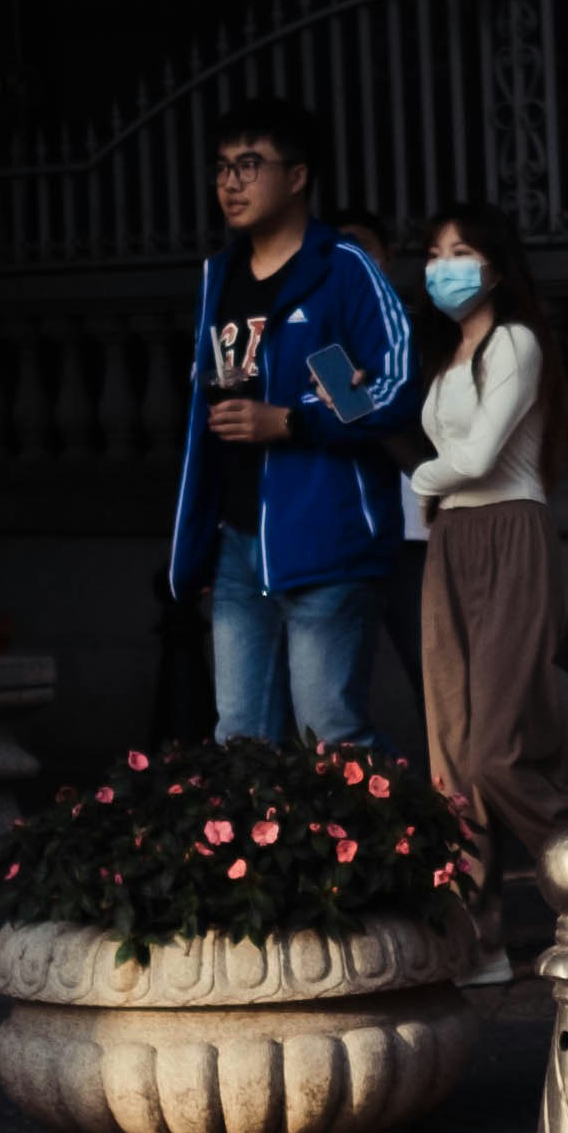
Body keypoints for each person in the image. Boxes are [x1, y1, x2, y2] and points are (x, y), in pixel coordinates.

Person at [162, 95, 421, 746]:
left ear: (298, 176)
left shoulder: (340, 271)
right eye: (222, 167)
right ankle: (254, 853)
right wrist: (197, 541)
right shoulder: (220, 276)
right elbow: (211, 409)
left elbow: (390, 392)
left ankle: (382, 852)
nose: (231, 183)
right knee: (241, 737)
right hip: (237, 541)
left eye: (250, 164)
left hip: (325, 541)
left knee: (329, 734)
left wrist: (293, 422)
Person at [397, 196, 568, 977]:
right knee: (451, 758)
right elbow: (451, 458)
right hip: (450, 544)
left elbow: (473, 460)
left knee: (499, 748)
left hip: (509, 532)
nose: (445, 268)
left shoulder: (518, 343)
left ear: (497, 265)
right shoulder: (440, 362)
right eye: (434, 254)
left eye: (460, 252)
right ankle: (480, 937)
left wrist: (415, 479)